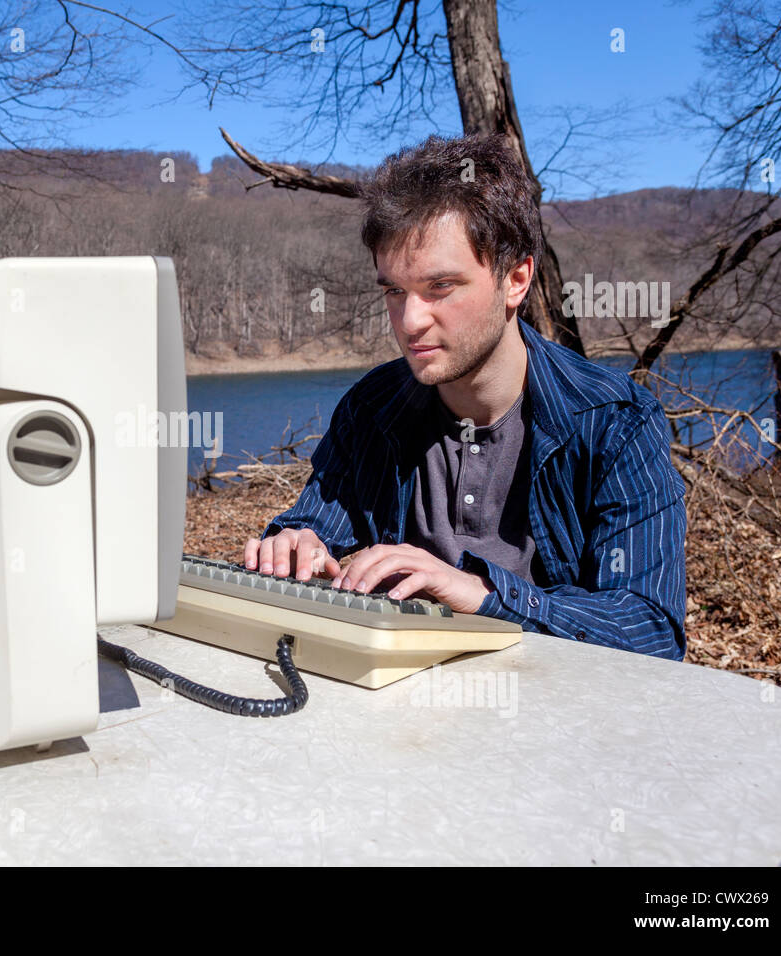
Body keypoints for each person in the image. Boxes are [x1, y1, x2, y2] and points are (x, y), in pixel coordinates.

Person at [242, 133, 687, 660]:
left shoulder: (615, 422)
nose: (410, 321)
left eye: (440, 288)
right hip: (396, 710)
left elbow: (651, 631)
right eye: (394, 290)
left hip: (557, 718)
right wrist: (296, 544)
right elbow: (319, 523)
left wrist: (483, 596)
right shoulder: (372, 408)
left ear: (516, 279)